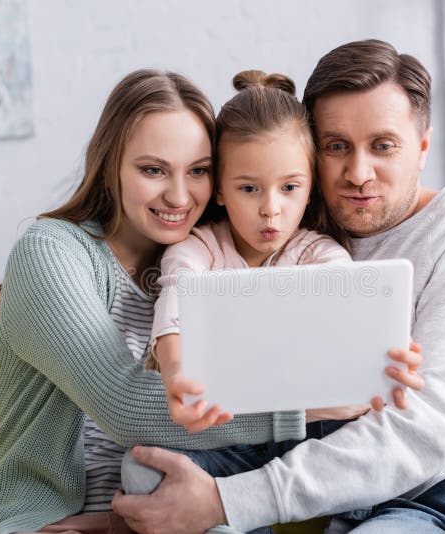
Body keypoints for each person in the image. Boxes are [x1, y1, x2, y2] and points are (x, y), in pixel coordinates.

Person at [110, 39, 445, 534]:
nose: (358, 172)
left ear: (423, 146)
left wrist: (231, 500)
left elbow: (431, 421)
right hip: (404, 504)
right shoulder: (288, 247)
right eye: (337, 146)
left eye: (383, 146)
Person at [0, 67, 419, 534]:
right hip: (45, 521)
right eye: (153, 170)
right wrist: (308, 407)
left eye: (197, 171)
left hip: (164, 516)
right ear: (110, 164)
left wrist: (364, 362)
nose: (179, 196)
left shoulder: (204, 263)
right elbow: (125, 407)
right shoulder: (53, 250)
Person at [121, 69, 423, 526]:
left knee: (367, 456)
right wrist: (177, 371)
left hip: (316, 437)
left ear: (310, 187)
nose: (270, 209)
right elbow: (174, 309)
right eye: (249, 189)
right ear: (219, 190)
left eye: (289, 188)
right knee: (141, 468)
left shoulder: (320, 254)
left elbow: (352, 328)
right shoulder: (197, 250)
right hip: (230, 442)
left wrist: (382, 359)